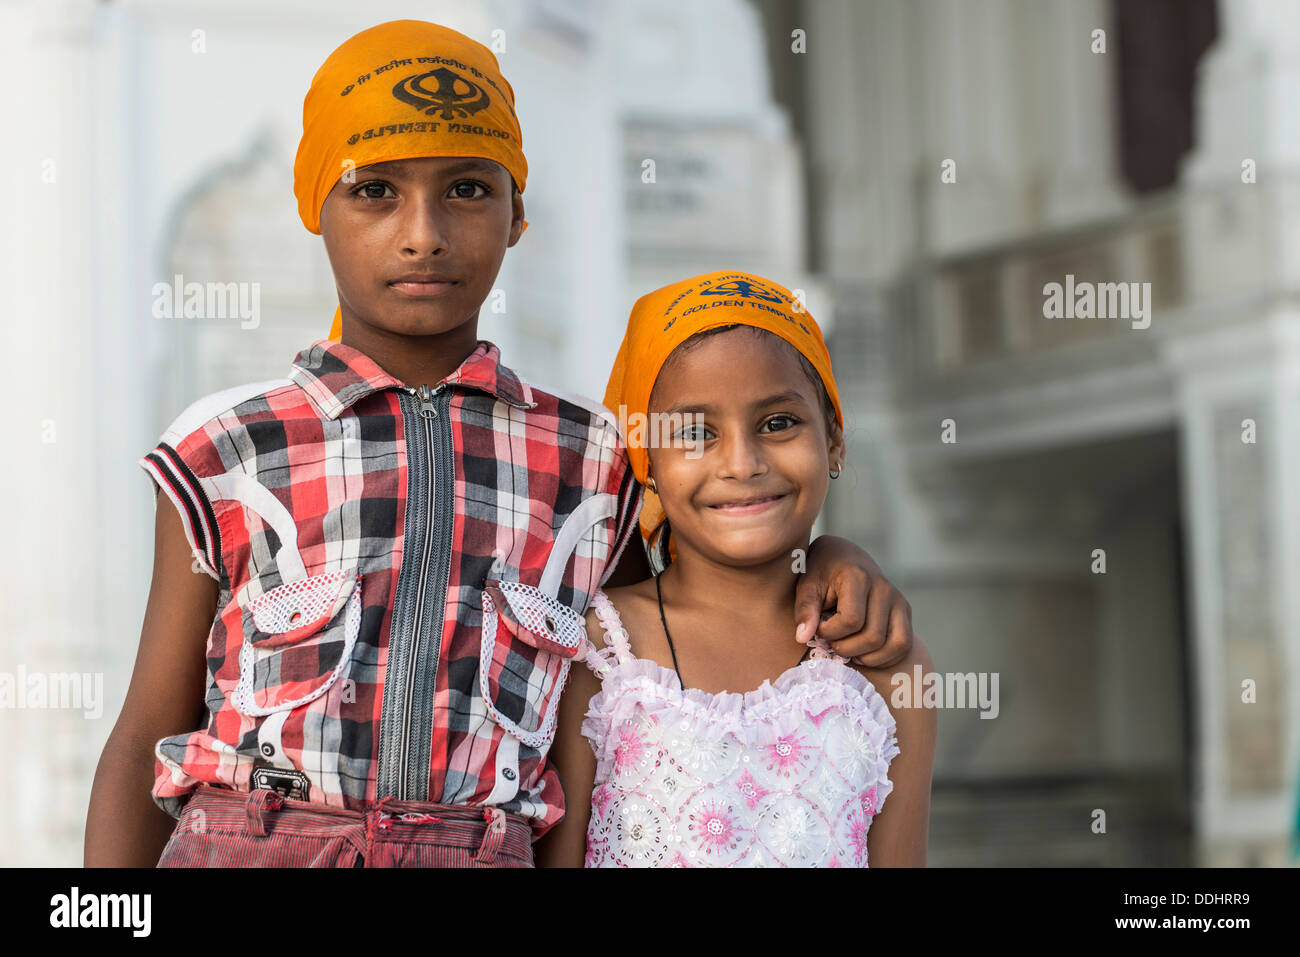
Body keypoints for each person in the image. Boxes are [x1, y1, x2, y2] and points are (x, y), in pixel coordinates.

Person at [84, 21, 916, 869]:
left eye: (468, 190)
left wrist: (831, 558)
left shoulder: (592, 462)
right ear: (313, 204)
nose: (423, 234)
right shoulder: (228, 447)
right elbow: (147, 728)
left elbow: (689, 616)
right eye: (374, 191)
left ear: (519, 213)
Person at [538, 272, 937, 867]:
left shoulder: (881, 662)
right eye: (696, 433)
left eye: (778, 423)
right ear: (646, 461)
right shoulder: (596, 652)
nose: (742, 463)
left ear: (834, 439)